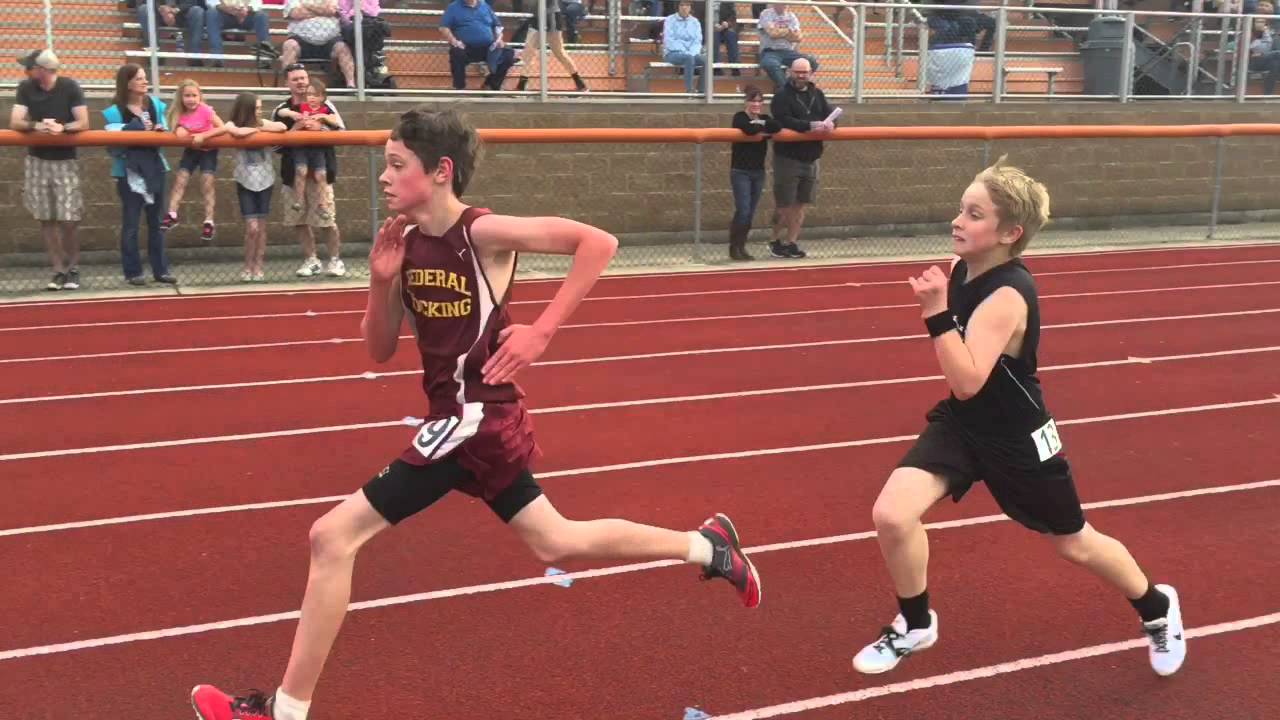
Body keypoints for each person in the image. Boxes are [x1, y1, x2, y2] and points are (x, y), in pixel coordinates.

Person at [190, 106, 761, 720]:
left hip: (474, 418)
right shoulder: (405, 244)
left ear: (439, 171)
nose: (382, 177)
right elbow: (379, 351)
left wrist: (540, 331)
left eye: (395, 165)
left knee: (332, 537)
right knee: (554, 541)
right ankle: (708, 548)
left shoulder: (481, 233)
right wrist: (381, 282)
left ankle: (285, 711)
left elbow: (597, 243)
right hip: (461, 419)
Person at [850, 157, 1187, 678]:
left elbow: (966, 378)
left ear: (1010, 232)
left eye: (974, 214)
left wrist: (935, 312)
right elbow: (964, 393)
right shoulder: (966, 268)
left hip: (1018, 437)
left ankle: (1158, 608)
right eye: (961, 209)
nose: (958, 221)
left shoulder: (1008, 294)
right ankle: (916, 623)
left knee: (1074, 543)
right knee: (892, 515)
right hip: (965, 425)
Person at [11, 49, 89, 292]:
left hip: (64, 159)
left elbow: (84, 122)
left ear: (41, 70)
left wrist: (62, 128)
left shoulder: (69, 87)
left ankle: (72, 267)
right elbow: (15, 121)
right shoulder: (25, 88)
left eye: (30, 67)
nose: (26, 72)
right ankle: (58, 269)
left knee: (69, 218)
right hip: (37, 159)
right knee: (46, 218)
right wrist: (37, 125)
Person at [727, 84, 780, 261]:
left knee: (750, 211)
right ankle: (734, 247)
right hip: (741, 171)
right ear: (746, 102)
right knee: (743, 209)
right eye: (752, 100)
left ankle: (742, 246)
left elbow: (776, 126)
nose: (756, 104)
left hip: (758, 171)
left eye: (759, 101)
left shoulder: (765, 117)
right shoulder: (739, 116)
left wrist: (761, 123)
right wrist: (761, 127)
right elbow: (747, 128)